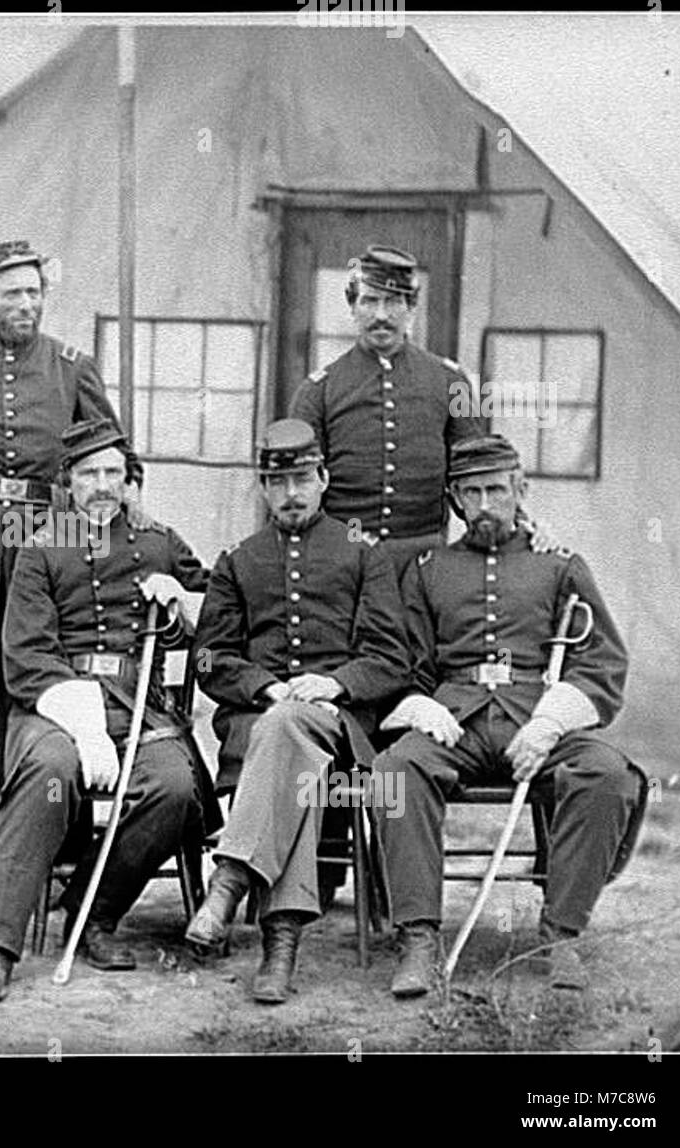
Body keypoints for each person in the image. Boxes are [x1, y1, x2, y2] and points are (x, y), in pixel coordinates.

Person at [373, 433, 644, 997]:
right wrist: (418, 703)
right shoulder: (429, 569)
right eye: (471, 493)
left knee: (608, 775)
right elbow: (403, 658)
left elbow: (604, 660)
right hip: (455, 720)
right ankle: (419, 938)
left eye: (497, 489)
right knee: (396, 772)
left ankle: (560, 934)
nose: (486, 504)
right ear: (455, 499)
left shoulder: (561, 566)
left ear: (521, 489)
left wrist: (550, 723)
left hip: (536, 715)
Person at [0, 418, 213, 1005]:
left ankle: (91, 913)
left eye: (112, 473)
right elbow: (25, 658)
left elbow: (218, 611)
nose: (102, 485)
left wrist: (180, 601)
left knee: (175, 787)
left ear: (129, 479)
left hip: (139, 709)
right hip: (53, 704)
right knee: (49, 774)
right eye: (88, 474)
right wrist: (87, 729)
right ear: (67, 482)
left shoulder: (160, 542)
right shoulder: (40, 547)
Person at [184, 419, 410, 1003]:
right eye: (278, 481)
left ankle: (231, 880)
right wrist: (265, 689)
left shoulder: (365, 555)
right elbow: (210, 660)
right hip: (260, 725)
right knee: (291, 751)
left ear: (324, 479)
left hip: (342, 727)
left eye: (302, 479)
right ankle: (277, 947)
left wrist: (333, 685)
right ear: (263, 486)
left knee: (294, 738)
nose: (291, 493)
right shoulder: (238, 561)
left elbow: (391, 659)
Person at [0, 241, 146, 779]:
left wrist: (127, 528)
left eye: (34, 293)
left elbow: (118, 457)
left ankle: (38, 788)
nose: (26, 304)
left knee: (40, 653)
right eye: (12, 293)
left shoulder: (71, 366)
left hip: (47, 524)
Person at [290, 244, 556, 576]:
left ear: (412, 307)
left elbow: (475, 466)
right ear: (352, 307)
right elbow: (299, 485)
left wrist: (520, 525)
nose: (381, 315)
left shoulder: (452, 382)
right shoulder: (318, 390)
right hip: (345, 556)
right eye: (369, 301)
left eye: (393, 302)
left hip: (424, 563)